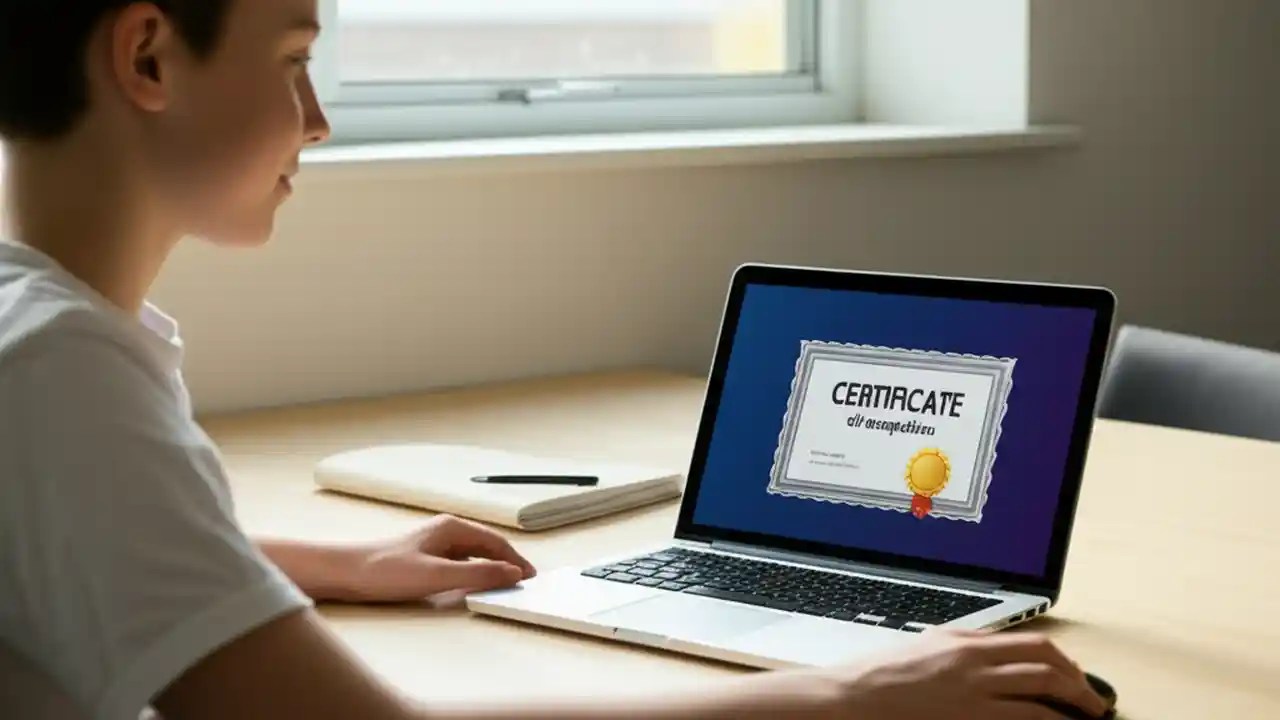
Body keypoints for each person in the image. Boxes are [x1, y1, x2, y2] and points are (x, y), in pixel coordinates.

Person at [0, 1, 1110, 719]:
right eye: (293, 60)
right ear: (148, 56)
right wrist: (848, 693)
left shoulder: (37, 330)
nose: (318, 119)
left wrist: (320, 563)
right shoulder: (65, 376)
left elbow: (70, 545)